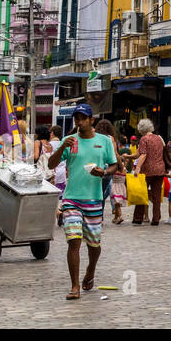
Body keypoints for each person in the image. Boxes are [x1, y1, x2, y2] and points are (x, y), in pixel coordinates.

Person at [47, 104, 120, 299]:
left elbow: (114, 164)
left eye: (83, 118)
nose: (79, 121)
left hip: (94, 199)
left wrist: (104, 172)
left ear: (91, 120)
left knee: (94, 245)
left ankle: (91, 270)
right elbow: (50, 164)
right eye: (76, 118)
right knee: (74, 241)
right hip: (72, 199)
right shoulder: (69, 141)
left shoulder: (104, 141)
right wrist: (62, 146)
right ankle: (74, 286)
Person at [132, 118, 169, 225]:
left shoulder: (144, 139)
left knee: (141, 193)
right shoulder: (159, 138)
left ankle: (138, 218)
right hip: (160, 170)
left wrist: (137, 168)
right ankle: (156, 219)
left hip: (147, 170)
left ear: (141, 129)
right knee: (156, 195)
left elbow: (143, 154)